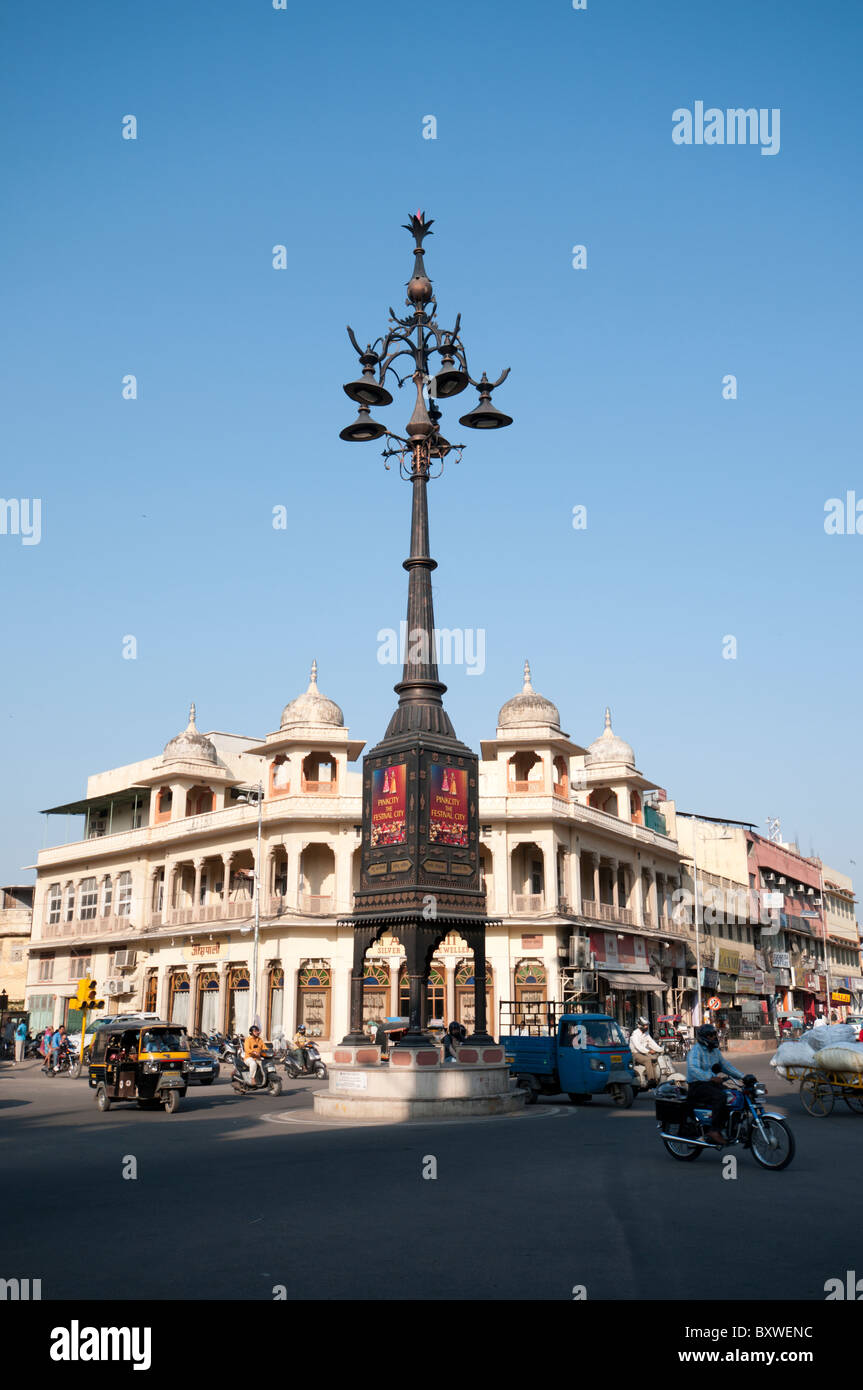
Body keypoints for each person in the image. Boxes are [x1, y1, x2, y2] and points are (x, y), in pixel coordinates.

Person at [685, 1022, 743, 1145]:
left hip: (710, 1084)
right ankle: (714, 1131)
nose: (713, 1037)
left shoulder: (715, 1051)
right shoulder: (696, 1051)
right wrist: (711, 1077)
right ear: (703, 1037)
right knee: (720, 1097)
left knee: (733, 1095)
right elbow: (693, 1069)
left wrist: (743, 1076)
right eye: (710, 1035)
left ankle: (730, 1127)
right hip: (697, 1085)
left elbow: (725, 1065)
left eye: (714, 1034)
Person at [630, 1016, 663, 1086]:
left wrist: (661, 1049)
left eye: (647, 1025)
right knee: (647, 1060)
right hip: (635, 1054)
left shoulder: (646, 1034)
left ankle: (656, 1078)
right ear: (640, 1025)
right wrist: (649, 1051)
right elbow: (638, 1047)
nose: (647, 1027)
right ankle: (651, 1080)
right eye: (645, 1025)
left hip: (644, 1052)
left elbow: (652, 1043)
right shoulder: (635, 1035)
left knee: (655, 1059)